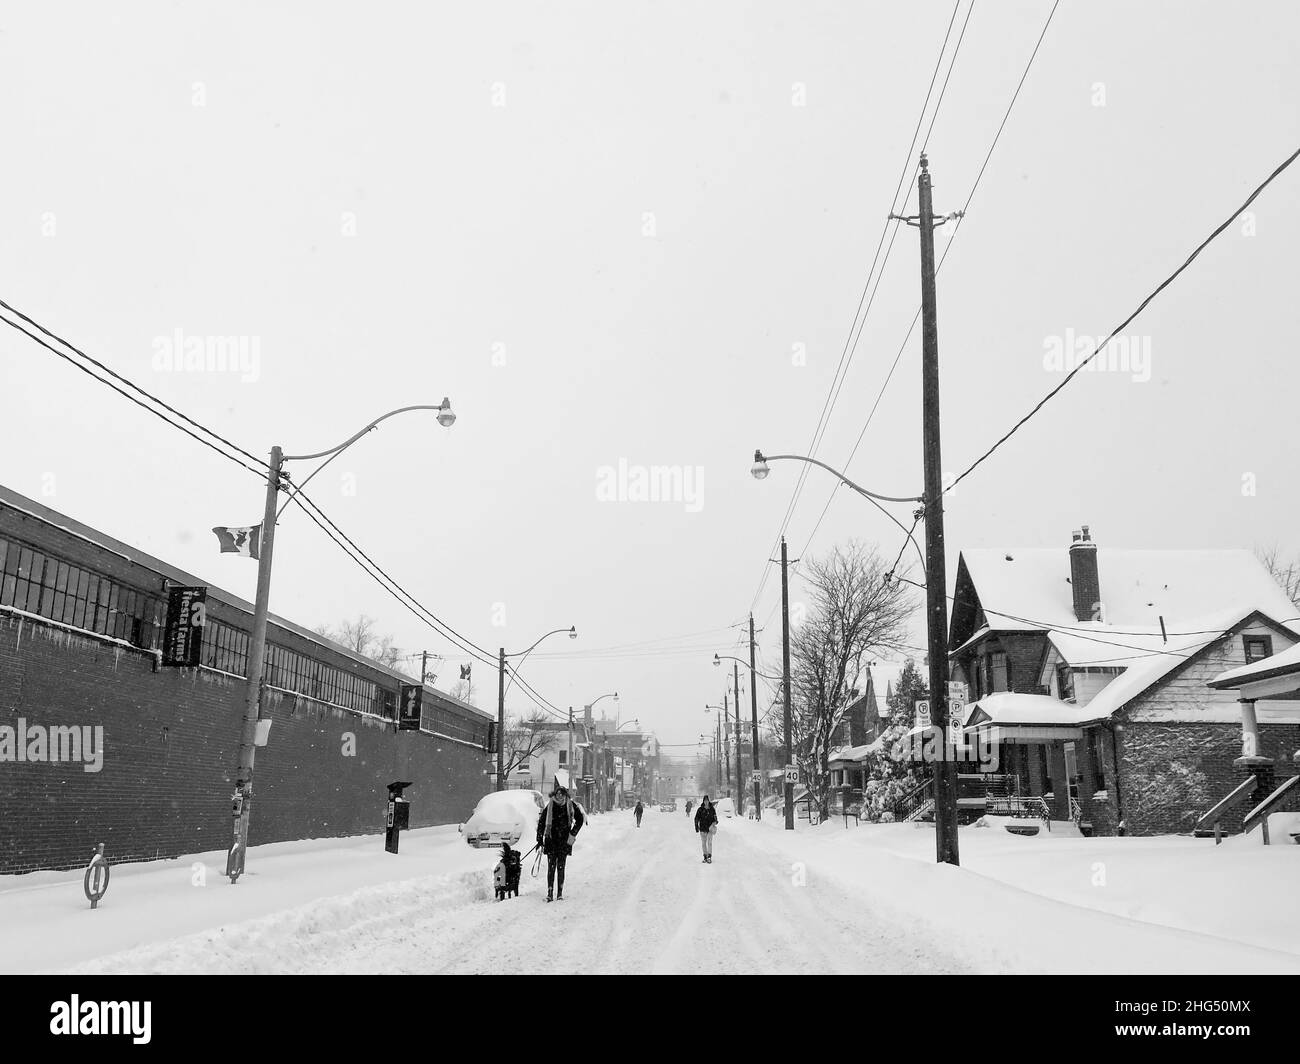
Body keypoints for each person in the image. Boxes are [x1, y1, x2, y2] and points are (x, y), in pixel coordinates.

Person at [535, 783, 585, 902]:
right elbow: (542, 822)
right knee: (551, 868)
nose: (559, 796)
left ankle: (560, 893)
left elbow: (580, 819)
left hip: (564, 841)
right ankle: (550, 892)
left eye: (561, 794)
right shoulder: (550, 805)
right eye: (557, 794)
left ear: (565, 795)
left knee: (561, 867)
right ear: (554, 794)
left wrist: (573, 834)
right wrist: (539, 839)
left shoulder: (570, 805)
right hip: (551, 840)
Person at [694, 795, 717, 863]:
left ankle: (709, 857)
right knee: (704, 843)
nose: (706, 802)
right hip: (702, 829)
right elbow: (696, 818)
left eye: (707, 800)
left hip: (710, 829)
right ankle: (705, 856)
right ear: (703, 801)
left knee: (709, 843)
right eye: (705, 800)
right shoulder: (700, 809)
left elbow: (716, 819)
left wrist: (714, 823)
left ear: (708, 801)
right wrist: (696, 826)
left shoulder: (712, 809)